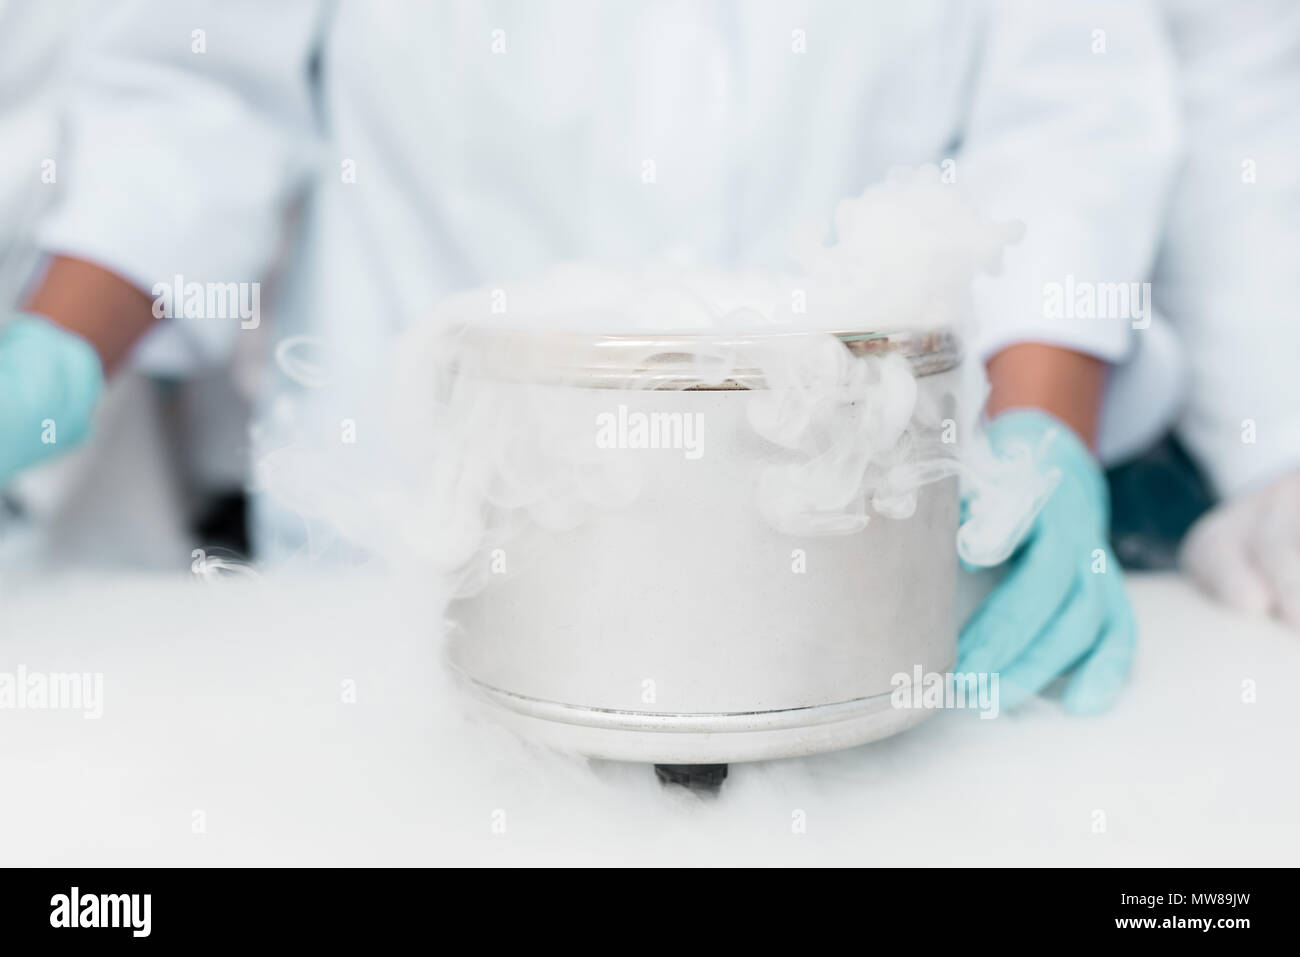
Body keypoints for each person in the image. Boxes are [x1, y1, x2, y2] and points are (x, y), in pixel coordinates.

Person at [0, 0, 1266, 714]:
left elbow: (1065, 111)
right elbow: (196, 87)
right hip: (399, 579)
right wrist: (57, 349)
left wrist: (1041, 429)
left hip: (850, 581)